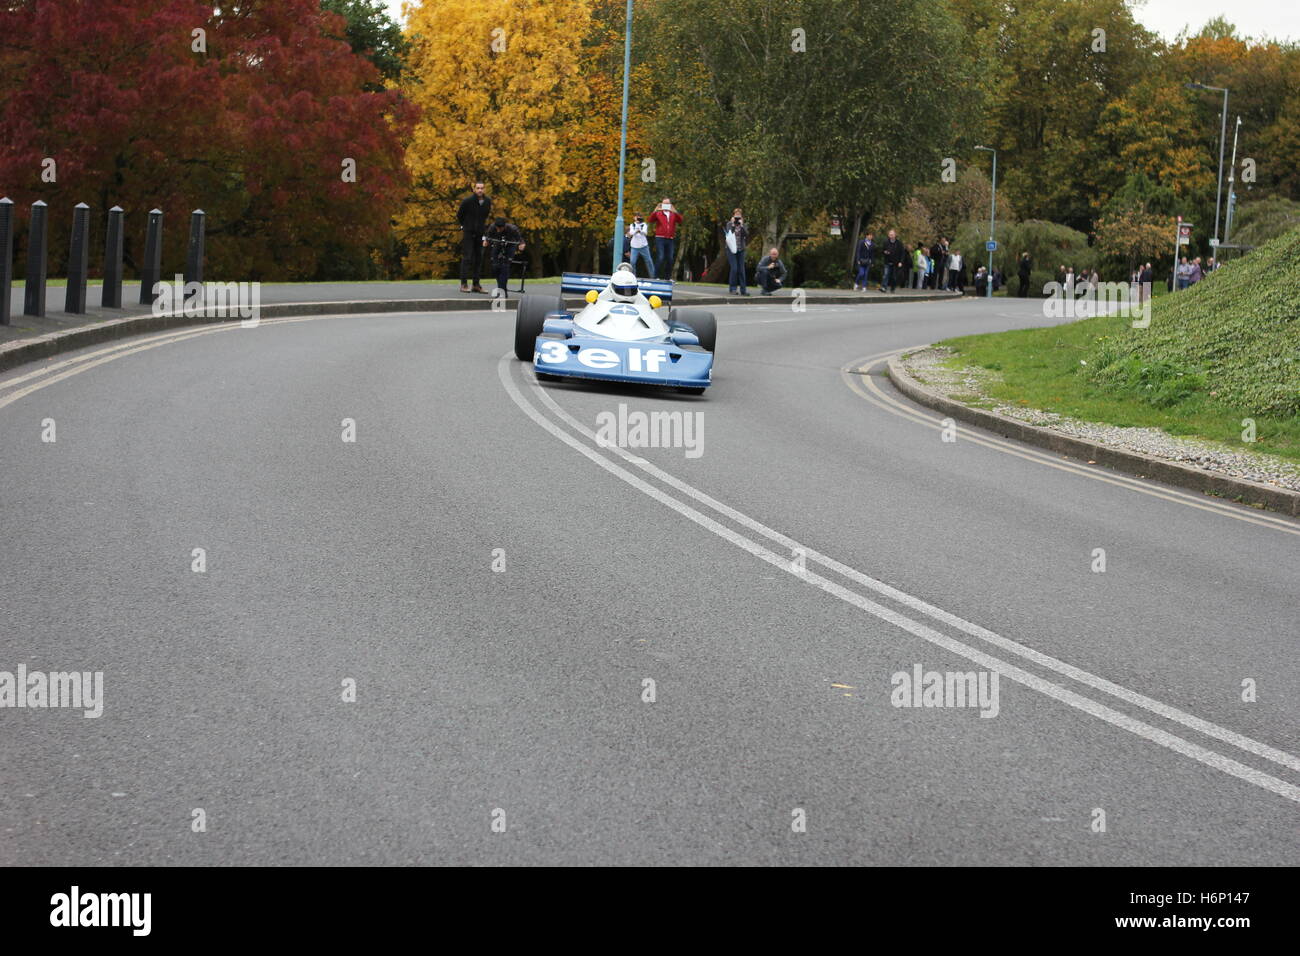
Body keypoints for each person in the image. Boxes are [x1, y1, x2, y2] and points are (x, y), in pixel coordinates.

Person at [457, 181, 492, 293]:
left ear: (484, 189)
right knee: (467, 257)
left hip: (480, 233)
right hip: (468, 232)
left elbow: (485, 215)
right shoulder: (467, 201)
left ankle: (476, 284)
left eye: (482, 188)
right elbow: (460, 215)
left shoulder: (487, 201)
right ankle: (464, 284)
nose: (480, 190)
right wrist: (466, 225)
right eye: (478, 188)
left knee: (479, 258)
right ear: (474, 189)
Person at [482, 217, 525, 295]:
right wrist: (486, 241)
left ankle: (501, 291)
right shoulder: (492, 227)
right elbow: (487, 236)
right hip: (498, 243)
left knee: (505, 267)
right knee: (495, 267)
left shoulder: (512, 228)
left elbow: (520, 239)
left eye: (500, 229)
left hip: (510, 244)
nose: (498, 230)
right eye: (497, 228)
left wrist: (521, 244)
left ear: (504, 226)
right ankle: (502, 288)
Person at [649, 198, 682, 281]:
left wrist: (675, 211)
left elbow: (680, 220)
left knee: (670, 258)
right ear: (662, 204)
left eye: (668, 204)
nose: (666, 206)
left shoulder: (673, 214)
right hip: (660, 238)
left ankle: (668, 277)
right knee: (660, 257)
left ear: (670, 205)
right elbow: (650, 220)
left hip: (670, 238)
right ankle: (655, 276)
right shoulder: (659, 213)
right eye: (664, 204)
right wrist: (655, 210)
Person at [723, 208, 749, 295]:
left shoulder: (743, 224)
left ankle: (743, 290)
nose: (737, 217)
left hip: (741, 249)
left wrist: (741, 226)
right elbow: (729, 233)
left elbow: (746, 235)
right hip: (731, 249)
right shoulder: (729, 224)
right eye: (736, 215)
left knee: (741, 270)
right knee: (734, 269)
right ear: (733, 215)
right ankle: (733, 289)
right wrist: (733, 224)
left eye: (739, 215)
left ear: (741, 216)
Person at [625, 213, 655, 278]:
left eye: (639, 217)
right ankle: (633, 276)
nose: (638, 218)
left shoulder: (644, 224)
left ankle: (653, 276)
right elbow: (631, 233)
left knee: (649, 261)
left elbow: (645, 232)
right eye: (636, 217)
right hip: (634, 247)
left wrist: (640, 230)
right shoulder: (632, 225)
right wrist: (636, 230)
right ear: (634, 218)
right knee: (632, 261)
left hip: (644, 246)